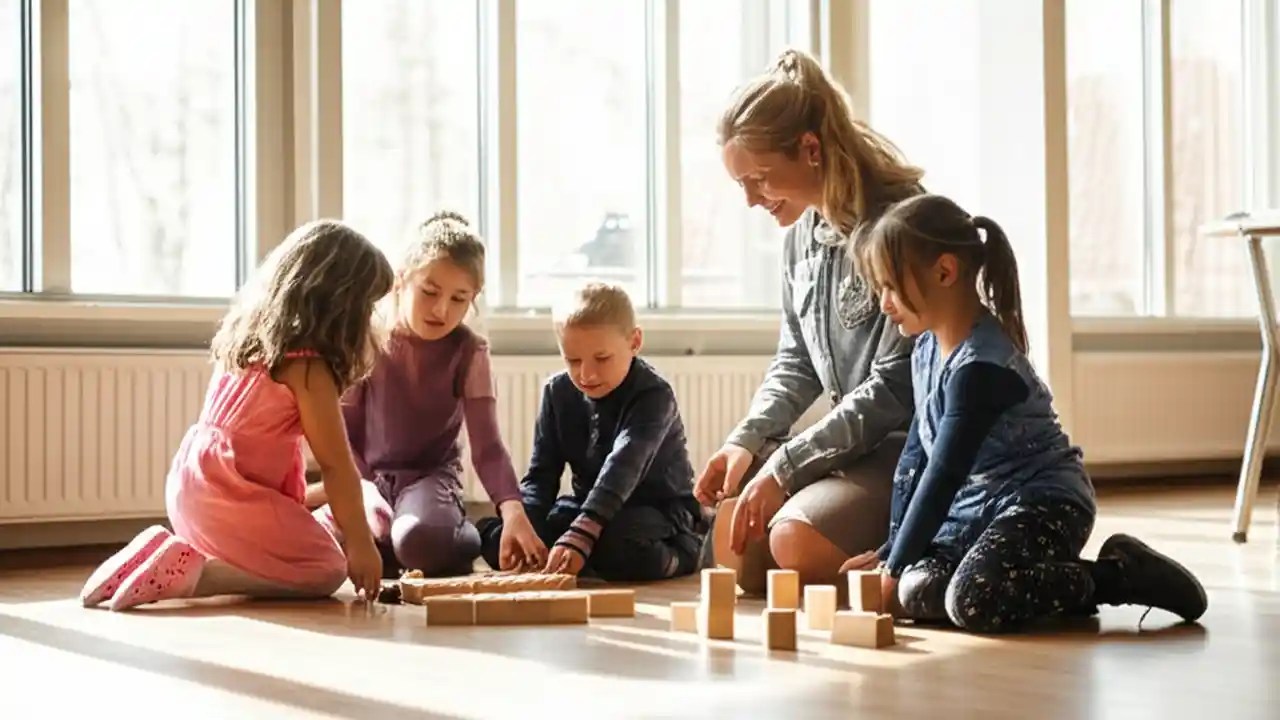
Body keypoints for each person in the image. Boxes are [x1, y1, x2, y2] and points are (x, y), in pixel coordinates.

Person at [850, 193, 1208, 632]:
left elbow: (943, 474)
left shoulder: (982, 367)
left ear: (945, 271)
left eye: (890, 286)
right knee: (914, 590)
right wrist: (892, 554)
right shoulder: (923, 350)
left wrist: (892, 567)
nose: (884, 303)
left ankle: (1118, 576)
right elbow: (916, 459)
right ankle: (1033, 582)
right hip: (974, 514)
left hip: (1042, 504)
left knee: (973, 600)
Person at [695, 47, 924, 593]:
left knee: (790, 543)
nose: (752, 200)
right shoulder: (800, 233)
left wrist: (785, 468)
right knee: (732, 547)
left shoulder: (900, 224)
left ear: (810, 149)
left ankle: (909, 566)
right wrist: (745, 443)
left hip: (903, 448)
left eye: (761, 179)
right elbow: (795, 358)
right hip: (845, 445)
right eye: (741, 185)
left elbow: (892, 390)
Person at [79, 219, 392, 611]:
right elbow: (335, 464)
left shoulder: (250, 341)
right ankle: (201, 577)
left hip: (191, 493)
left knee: (353, 495)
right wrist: (360, 545)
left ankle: (160, 553)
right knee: (327, 569)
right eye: (367, 306)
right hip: (227, 505)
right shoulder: (307, 367)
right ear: (340, 304)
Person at [319, 212, 545, 577]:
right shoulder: (366, 340)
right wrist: (360, 490)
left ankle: (463, 533)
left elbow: (487, 447)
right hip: (368, 482)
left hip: (429, 482)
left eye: (459, 299)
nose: (442, 310)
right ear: (401, 280)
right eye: (430, 292)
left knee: (413, 539)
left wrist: (513, 511)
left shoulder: (469, 352)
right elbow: (346, 437)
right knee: (325, 543)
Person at [477, 282, 705, 581]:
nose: (586, 374)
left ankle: (689, 552)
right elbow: (541, 475)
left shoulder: (653, 394)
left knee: (620, 544)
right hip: (588, 509)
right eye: (573, 360)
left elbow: (623, 467)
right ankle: (581, 554)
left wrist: (581, 534)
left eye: (602, 359)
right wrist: (522, 524)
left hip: (657, 511)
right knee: (493, 536)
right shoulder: (557, 392)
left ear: (634, 342)